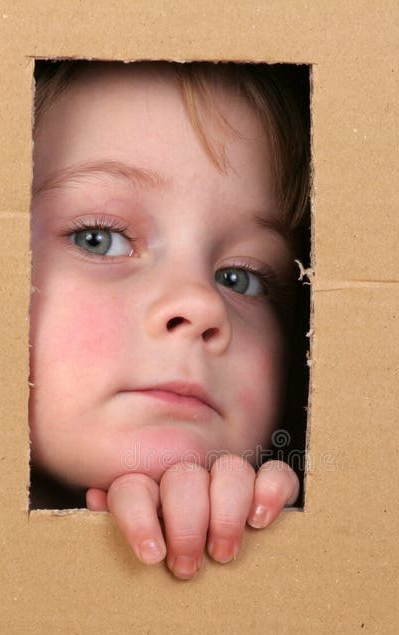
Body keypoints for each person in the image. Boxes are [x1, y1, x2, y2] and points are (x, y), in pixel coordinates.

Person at [29, 60, 310, 579]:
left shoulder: (269, 488)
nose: (202, 304)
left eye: (241, 278)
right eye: (99, 238)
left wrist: (248, 514)